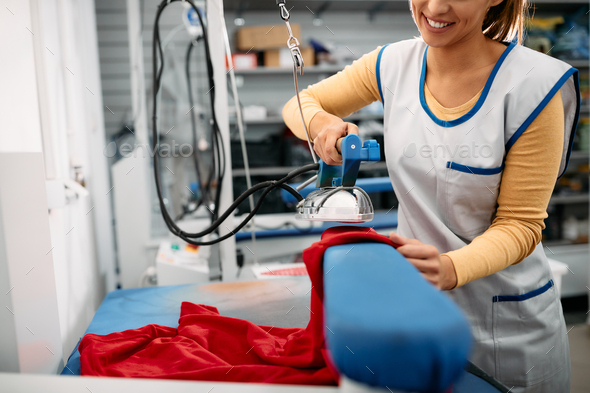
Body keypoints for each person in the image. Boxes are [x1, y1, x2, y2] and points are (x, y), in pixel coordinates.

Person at [282, 0, 581, 391]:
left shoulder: (534, 86)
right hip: (419, 311)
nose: (436, 6)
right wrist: (324, 124)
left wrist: (450, 267)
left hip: (509, 327)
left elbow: (521, 225)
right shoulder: (392, 64)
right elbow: (299, 104)